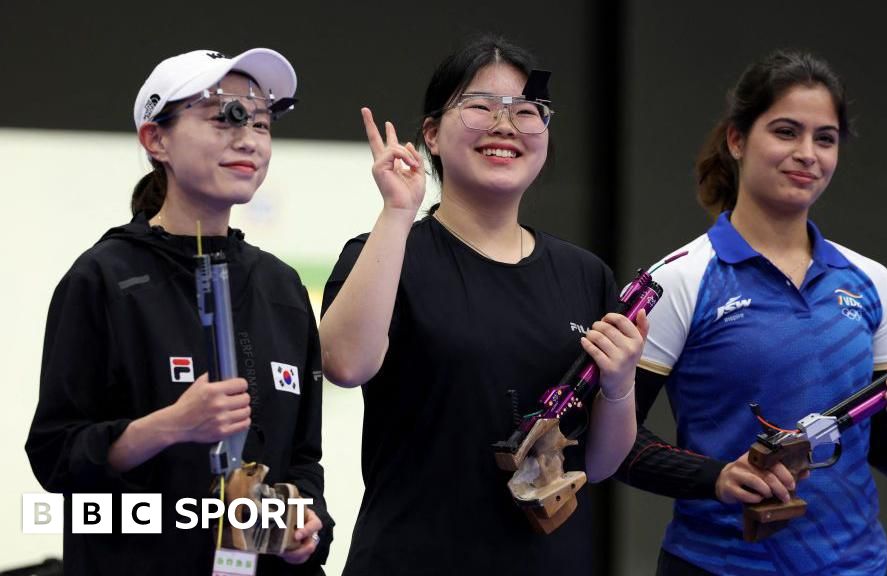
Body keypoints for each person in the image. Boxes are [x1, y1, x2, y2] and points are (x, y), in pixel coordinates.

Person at [318, 35, 646, 575]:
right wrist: (398, 212)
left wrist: (620, 385)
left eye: (527, 111)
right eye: (480, 107)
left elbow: (602, 463)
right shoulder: (389, 250)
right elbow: (345, 364)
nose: (505, 126)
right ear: (432, 135)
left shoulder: (585, 275)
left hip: (548, 560)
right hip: (412, 558)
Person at [616, 50, 887, 575]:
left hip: (857, 566)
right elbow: (615, 444)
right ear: (737, 139)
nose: (807, 154)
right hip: (715, 564)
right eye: (786, 131)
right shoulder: (677, 279)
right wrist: (716, 478)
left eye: (825, 138)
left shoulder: (871, 282)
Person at [25, 48, 332, 575]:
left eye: (261, 123)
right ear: (156, 138)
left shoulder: (281, 286)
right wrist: (169, 426)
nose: (249, 139)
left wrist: (302, 524)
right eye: (225, 118)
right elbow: (56, 455)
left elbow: (303, 460)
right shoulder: (104, 278)